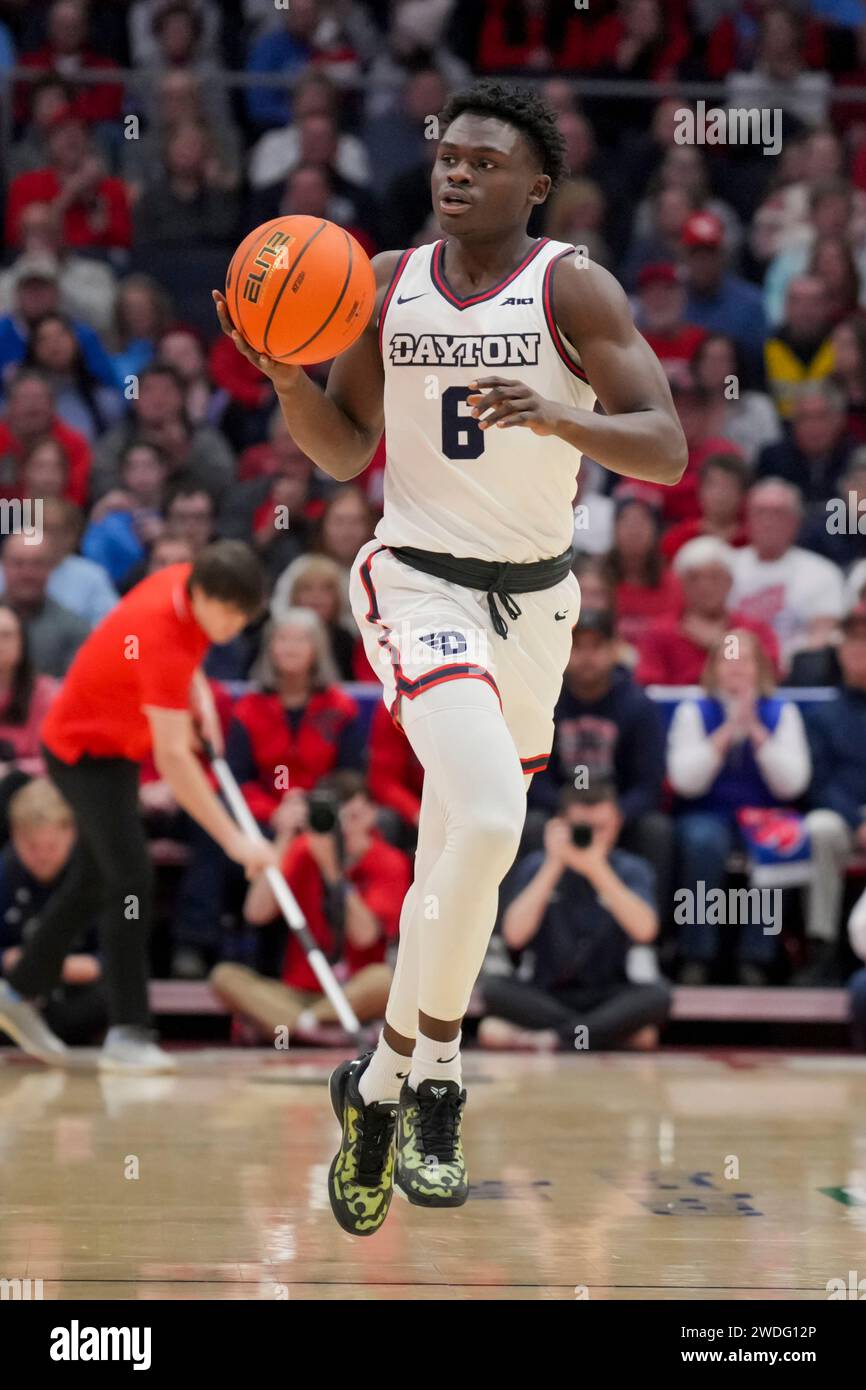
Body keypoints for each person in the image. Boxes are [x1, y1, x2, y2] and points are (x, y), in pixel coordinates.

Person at [214, 79, 686, 1236]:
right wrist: (284, 379)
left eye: (484, 161)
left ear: (536, 184)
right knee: (481, 819)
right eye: (446, 156)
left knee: (457, 860)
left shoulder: (569, 284)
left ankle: (377, 1086)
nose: (456, 172)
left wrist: (560, 413)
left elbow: (666, 448)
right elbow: (342, 451)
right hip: (415, 579)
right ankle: (437, 1076)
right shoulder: (377, 282)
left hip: (534, 604)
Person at [0, 542, 276, 1073]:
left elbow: (183, 657)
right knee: (132, 878)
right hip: (82, 753)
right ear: (203, 595)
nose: (239, 628)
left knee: (95, 880)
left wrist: (196, 691)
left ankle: (17, 992)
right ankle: (128, 1031)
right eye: (233, 615)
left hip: (117, 745)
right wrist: (236, 840)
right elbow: (175, 758)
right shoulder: (159, 636)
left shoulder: (183, 578)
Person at [211, 772, 410, 1045]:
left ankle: (300, 1026)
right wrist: (283, 838)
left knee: (386, 980)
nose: (345, 828)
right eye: (337, 818)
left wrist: (333, 872)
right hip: (297, 991)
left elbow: (363, 936)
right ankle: (325, 1029)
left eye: (354, 817)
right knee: (225, 977)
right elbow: (256, 913)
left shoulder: (390, 861)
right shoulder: (303, 849)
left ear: (372, 815)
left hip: (353, 989)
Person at [480, 780, 671, 1052]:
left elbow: (645, 931)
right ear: (561, 825)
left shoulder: (631, 869)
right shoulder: (538, 865)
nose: (591, 836)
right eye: (583, 828)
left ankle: (552, 1038)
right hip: (547, 994)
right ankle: (595, 1034)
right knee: (494, 990)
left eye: (600, 828)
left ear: (617, 823)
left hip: (607, 993)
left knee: (658, 995)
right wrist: (553, 865)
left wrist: (597, 869)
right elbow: (514, 936)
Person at [667, 629, 811, 985]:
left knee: (780, 837)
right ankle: (696, 955)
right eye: (727, 660)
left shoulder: (782, 711)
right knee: (704, 843)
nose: (736, 670)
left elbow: (792, 783)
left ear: (759, 668)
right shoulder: (694, 710)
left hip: (765, 814)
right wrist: (728, 730)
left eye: (743, 660)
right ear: (713, 669)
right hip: (707, 812)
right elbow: (686, 780)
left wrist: (758, 733)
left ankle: (757, 959)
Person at [0, 778, 107, 1046]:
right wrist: (6, 958)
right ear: (14, 835)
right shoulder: (4, 871)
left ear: (71, 833)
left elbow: (133, 921)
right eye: (32, 848)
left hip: (77, 997)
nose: (42, 857)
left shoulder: (108, 875)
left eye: (51, 847)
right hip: (17, 996)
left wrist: (94, 965)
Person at [636, 537, 779, 687]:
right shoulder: (660, 632)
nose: (705, 586)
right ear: (681, 584)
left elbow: (769, 677)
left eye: (714, 577)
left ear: (729, 582)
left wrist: (720, 645)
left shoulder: (752, 630)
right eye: (694, 578)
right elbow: (650, 687)